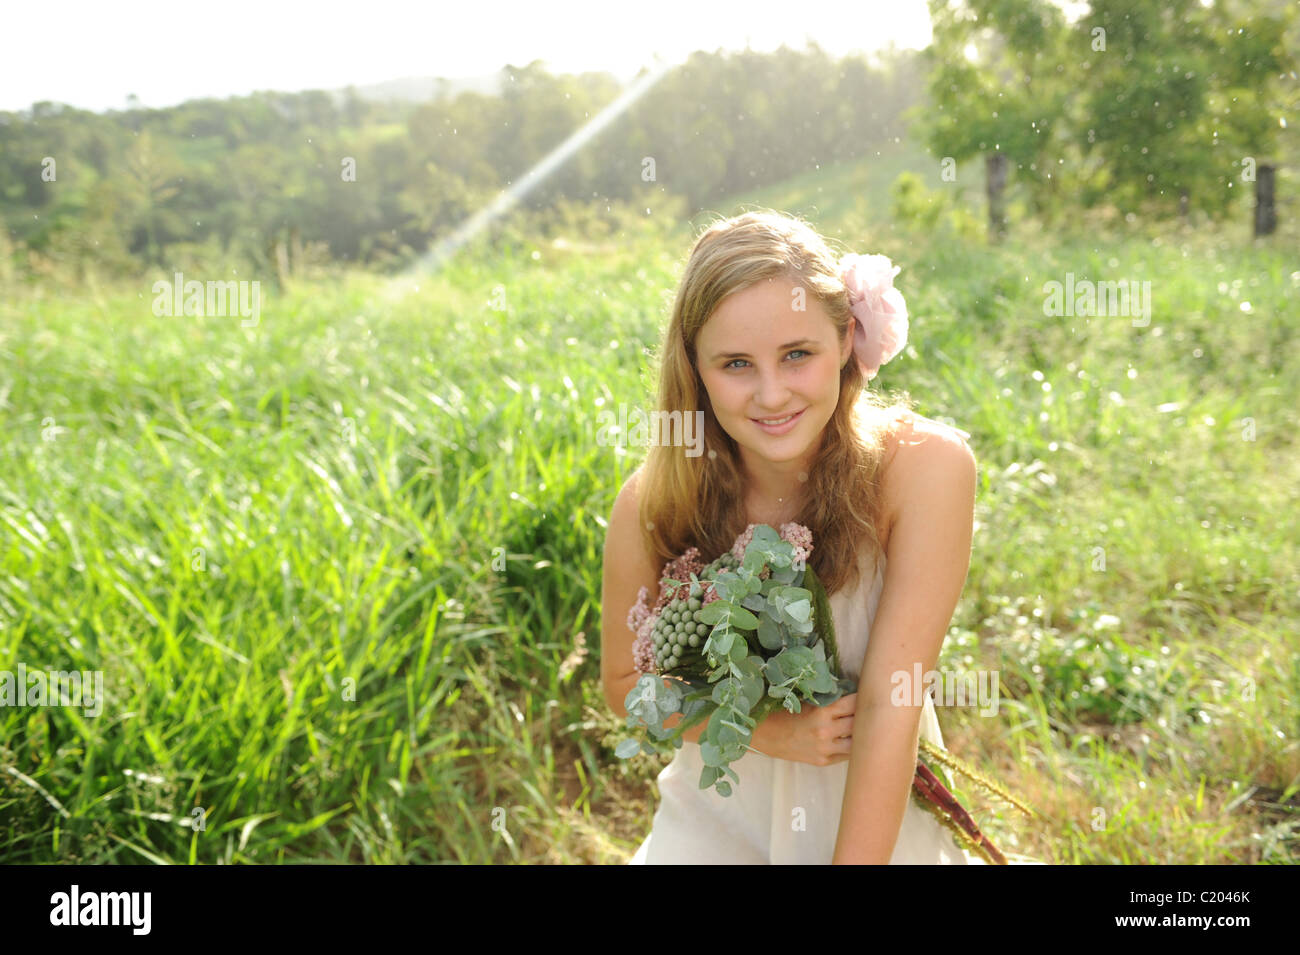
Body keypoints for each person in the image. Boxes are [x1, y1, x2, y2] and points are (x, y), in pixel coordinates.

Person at [601, 209, 1022, 864]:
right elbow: (626, 684)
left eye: (797, 354)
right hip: (717, 817)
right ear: (695, 370)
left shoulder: (924, 468)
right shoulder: (654, 501)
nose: (772, 394)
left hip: (870, 819)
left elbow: (890, 699)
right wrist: (765, 730)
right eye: (736, 363)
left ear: (848, 337)